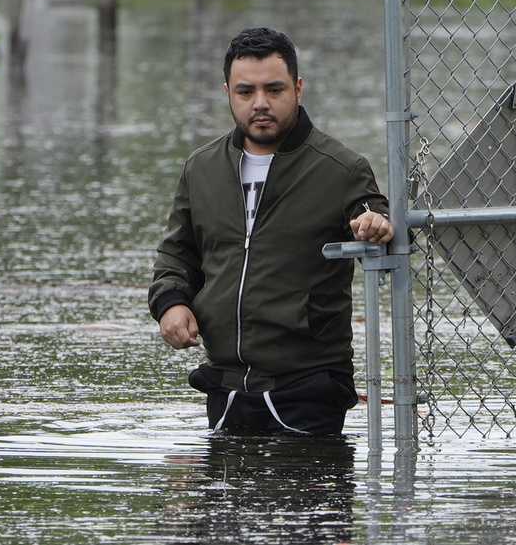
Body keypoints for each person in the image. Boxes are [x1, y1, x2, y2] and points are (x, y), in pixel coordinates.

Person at [148, 27, 393, 436]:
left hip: (310, 388)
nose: (260, 103)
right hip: (225, 386)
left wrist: (374, 222)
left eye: (274, 89)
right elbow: (177, 253)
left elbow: (371, 208)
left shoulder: (341, 167)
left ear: (298, 88)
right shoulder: (201, 168)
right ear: (227, 91)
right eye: (246, 92)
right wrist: (170, 304)